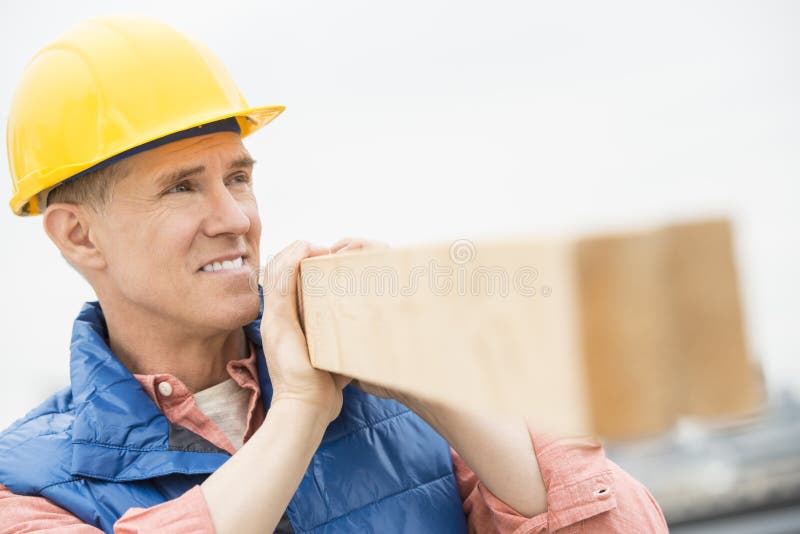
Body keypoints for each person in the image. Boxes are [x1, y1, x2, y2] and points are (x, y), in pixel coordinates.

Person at [0, 15, 667, 533]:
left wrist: (431, 379)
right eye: (182, 188)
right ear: (79, 235)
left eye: (238, 176)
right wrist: (298, 414)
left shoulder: (391, 402)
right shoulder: (27, 483)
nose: (234, 216)